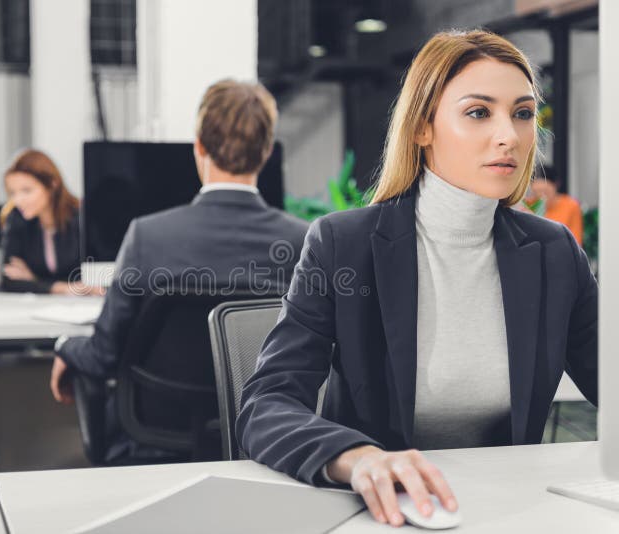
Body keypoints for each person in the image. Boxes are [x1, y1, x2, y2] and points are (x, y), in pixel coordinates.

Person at [236, 30, 597, 528]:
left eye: (522, 113)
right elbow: (265, 405)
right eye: (478, 112)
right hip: (377, 514)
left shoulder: (554, 252)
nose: (509, 136)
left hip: (510, 511)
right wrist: (358, 458)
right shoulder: (343, 244)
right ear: (423, 127)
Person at [50, 79, 309, 462]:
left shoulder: (147, 236)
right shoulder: (304, 241)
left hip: (153, 435)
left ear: (199, 147)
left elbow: (104, 354)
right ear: (267, 152)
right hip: (264, 437)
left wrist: (65, 349)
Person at [0, 149, 96, 295]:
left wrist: (34, 280)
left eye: (26, 190)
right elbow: (9, 281)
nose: (18, 200)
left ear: (52, 185)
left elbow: (95, 280)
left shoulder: (82, 218)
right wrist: (61, 288)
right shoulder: (16, 219)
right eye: (13, 193)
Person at [528, 166, 584, 245]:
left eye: (545, 192)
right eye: (537, 192)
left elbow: (576, 243)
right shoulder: (528, 207)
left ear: (556, 185)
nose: (541, 197)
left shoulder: (571, 206)